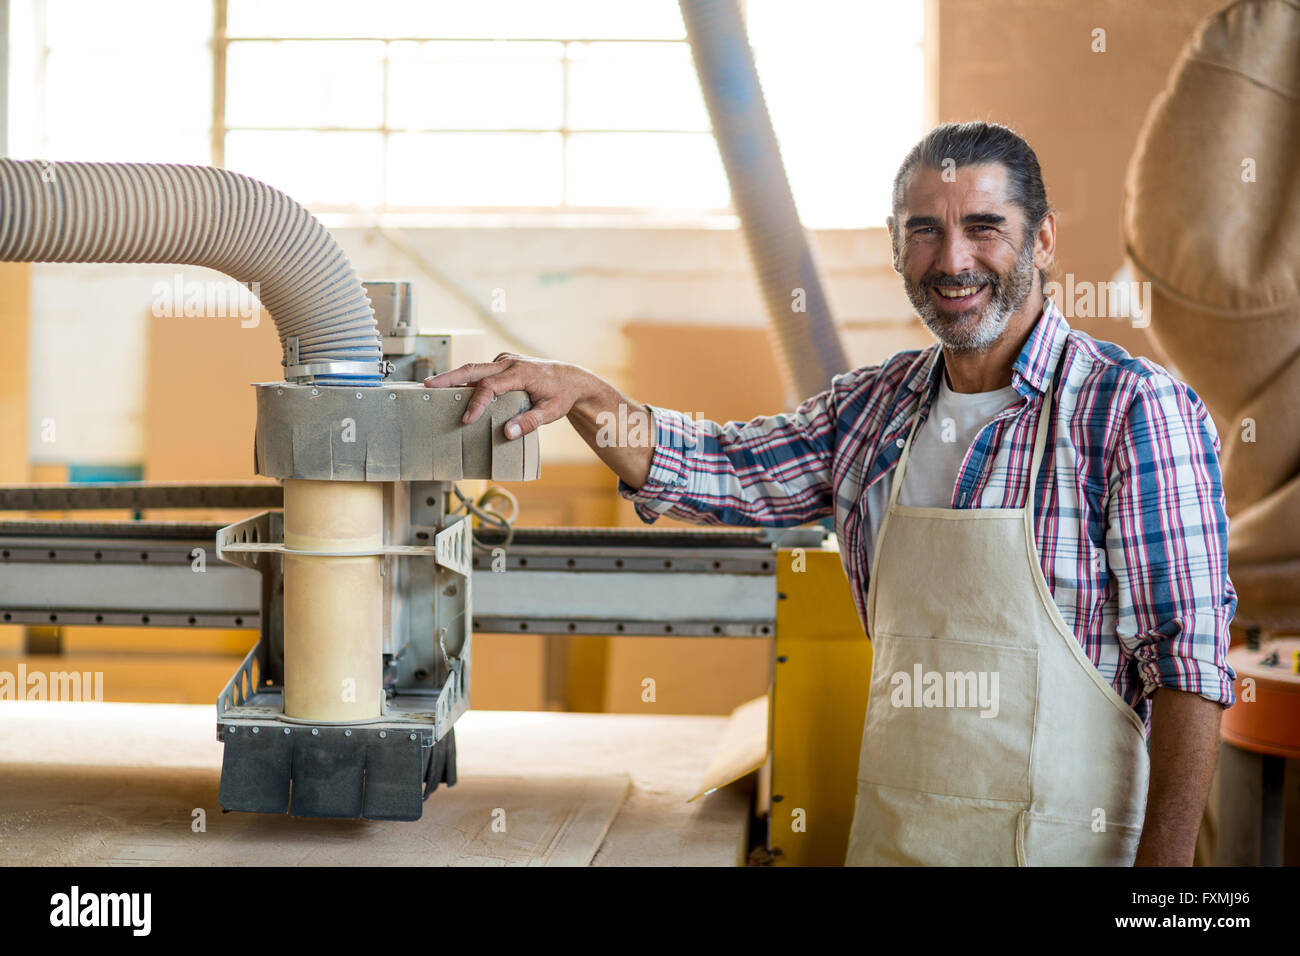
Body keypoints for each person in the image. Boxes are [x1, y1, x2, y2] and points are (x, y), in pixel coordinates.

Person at [424, 121, 1236, 867]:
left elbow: (1187, 666)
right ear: (895, 247)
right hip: (898, 841)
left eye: (983, 227)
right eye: (925, 230)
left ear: (1044, 238)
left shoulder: (1131, 409)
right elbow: (722, 469)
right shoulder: (874, 409)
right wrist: (589, 395)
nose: (952, 260)